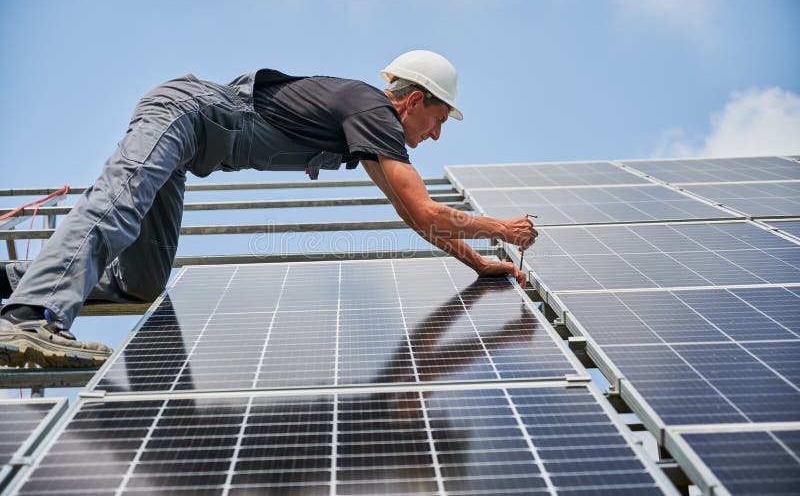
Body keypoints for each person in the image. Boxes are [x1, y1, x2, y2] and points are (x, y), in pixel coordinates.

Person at [0, 50, 537, 368]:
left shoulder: (369, 130)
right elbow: (423, 209)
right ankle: (30, 317)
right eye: (438, 120)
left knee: (141, 283)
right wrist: (500, 229)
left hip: (190, 143)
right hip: (184, 113)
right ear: (414, 100)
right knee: (117, 207)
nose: (436, 134)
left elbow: (411, 215)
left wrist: (479, 263)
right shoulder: (375, 111)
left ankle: (11, 282)